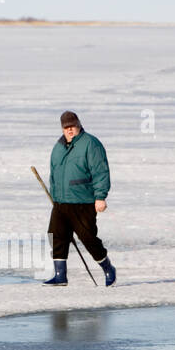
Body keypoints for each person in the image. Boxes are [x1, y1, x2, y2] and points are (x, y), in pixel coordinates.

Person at [44, 111, 116, 286]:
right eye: (66, 127)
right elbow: (54, 172)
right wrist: (55, 194)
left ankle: (108, 268)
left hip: (82, 201)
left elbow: (100, 171)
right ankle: (60, 275)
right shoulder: (58, 147)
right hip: (61, 202)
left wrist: (100, 197)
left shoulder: (91, 144)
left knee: (88, 238)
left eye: (72, 126)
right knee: (56, 235)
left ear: (79, 124)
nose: (70, 130)